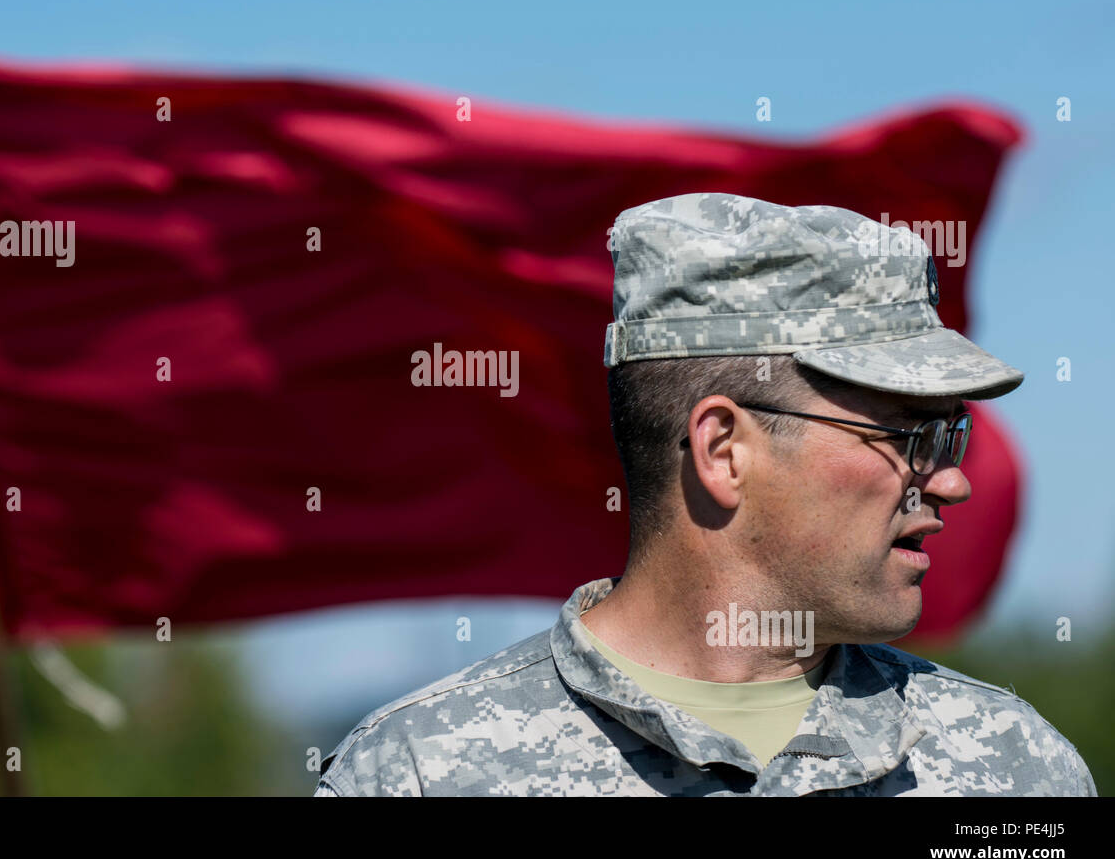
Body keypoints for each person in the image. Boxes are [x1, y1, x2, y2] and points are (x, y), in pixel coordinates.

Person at [314, 193, 1096, 796]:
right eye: (906, 436)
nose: (951, 480)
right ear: (723, 450)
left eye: (949, 436)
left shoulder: (1013, 767)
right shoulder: (422, 771)